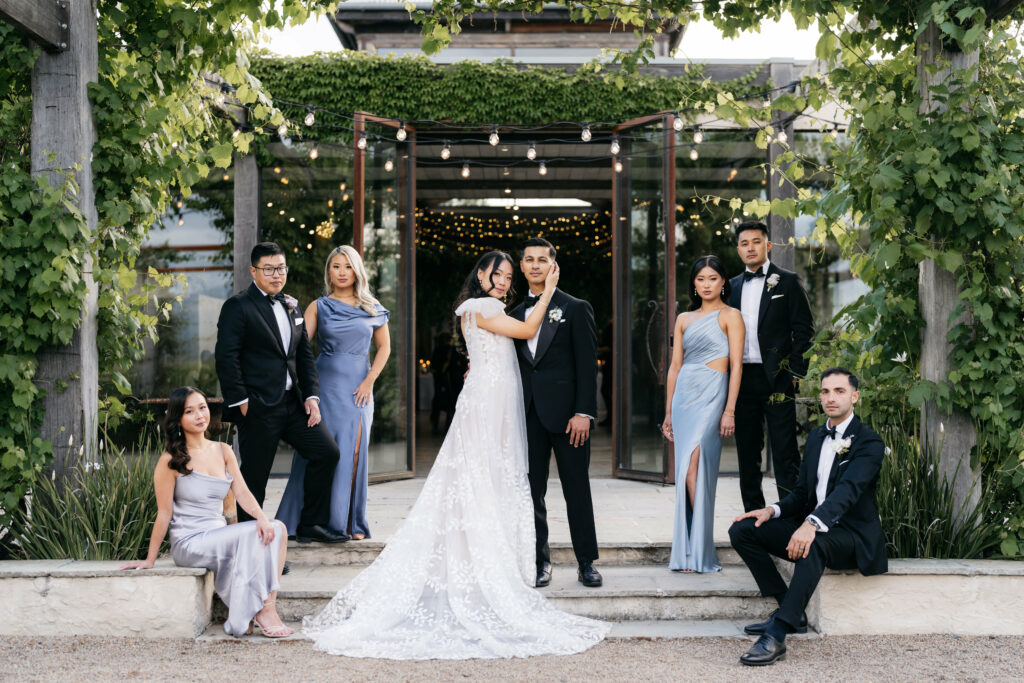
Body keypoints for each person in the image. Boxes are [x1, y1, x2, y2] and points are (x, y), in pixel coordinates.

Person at [302, 251, 609, 659]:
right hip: (490, 403)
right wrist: (549, 291)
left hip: (508, 400)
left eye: (507, 276)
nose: (504, 280)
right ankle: (504, 563)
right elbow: (526, 331)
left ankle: (561, 560)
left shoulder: (508, 308)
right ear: (481, 274)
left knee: (503, 478)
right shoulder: (486, 307)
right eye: (497, 274)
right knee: (486, 478)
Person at [729, 367, 887, 666]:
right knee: (743, 530)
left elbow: (849, 491)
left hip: (851, 535)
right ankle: (788, 609)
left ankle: (776, 635)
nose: (831, 397)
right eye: (825, 391)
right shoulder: (816, 437)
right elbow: (803, 493)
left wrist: (811, 524)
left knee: (813, 544)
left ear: (855, 396)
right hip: (815, 527)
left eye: (839, 391)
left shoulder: (869, 443)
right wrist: (771, 510)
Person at [120, 387, 292, 638]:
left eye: (202, 407)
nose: (200, 415)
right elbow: (164, 513)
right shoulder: (171, 460)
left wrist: (262, 518)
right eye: (190, 411)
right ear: (178, 419)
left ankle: (263, 607)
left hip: (218, 534)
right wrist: (150, 559)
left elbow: (242, 493)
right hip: (190, 542)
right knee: (267, 531)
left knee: (277, 529)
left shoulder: (224, 450)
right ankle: (265, 611)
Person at [215, 242, 346, 544]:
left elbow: (303, 356)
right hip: (258, 407)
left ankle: (311, 524)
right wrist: (243, 402)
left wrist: (312, 396)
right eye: (269, 269)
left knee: (326, 452)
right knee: (255, 480)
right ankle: (254, 545)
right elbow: (226, 358)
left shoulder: (291, 305)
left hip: (292, 404)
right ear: (254, 271)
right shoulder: (238, 307)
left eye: (281, 268)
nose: (277, 274)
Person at [276, 246, 390, 541]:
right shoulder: (319, 306)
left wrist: (370, 380)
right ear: (329, 271)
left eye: (347, 267)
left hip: (359, 390)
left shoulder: (372, 307)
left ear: (357, 272)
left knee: (353, 453)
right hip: (325, 387)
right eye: (336, 266)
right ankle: (301, 519)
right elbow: (300, 347)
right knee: (319, 450)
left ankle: (350, 523)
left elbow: (385, 348)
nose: (342, 272)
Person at [509, 237, 601, 589]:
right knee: (532, 492)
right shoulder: (514, 314)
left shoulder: (576, 308)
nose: (535, 265)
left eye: (541, 260)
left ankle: (587, 562)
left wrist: (584, 412)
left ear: (553, 266)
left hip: (568, 418)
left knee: (577, 489)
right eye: (529, 259)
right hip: (527, 416)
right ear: (521, 266)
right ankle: (539, 562)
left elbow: (586, 365)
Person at [661, 255, 744, 573]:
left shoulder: (731, 316)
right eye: (701, 279)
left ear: (724, 281)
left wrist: (730, 410)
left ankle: (699, 552)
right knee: (685, 472)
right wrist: (668, 412)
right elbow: (675, 367)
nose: (707, 284)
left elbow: (736, 366)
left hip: (713, 395)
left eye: (713, 278)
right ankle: (687, 553)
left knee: (697, 469)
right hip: (684, 397)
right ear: (694, 284)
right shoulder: (683, 318)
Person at [728, 221, 814, 511]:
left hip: (778, 379)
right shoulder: (731, 287)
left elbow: (805, 332)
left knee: (785, 451)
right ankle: (754, 517)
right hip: (741, 379)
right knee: (748, 453)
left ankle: (791, 516)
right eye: (744, 243)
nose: (750, 247)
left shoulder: (787, 281)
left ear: (768, 245)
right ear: (738, 249)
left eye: (756, 241)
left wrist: (793, 374)